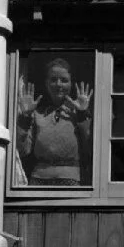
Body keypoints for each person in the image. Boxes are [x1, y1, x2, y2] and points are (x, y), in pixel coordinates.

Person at [15, 58, 93, 186]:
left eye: (64, 80)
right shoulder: (37, 114)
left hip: (72, 180)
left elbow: (89, 148)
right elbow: (23, 150)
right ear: (46, 84)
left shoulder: (78, 114)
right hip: (39, 180)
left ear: (71, 83)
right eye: (53, 80)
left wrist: (82, 114)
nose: (58, 84)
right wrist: (26, 116)